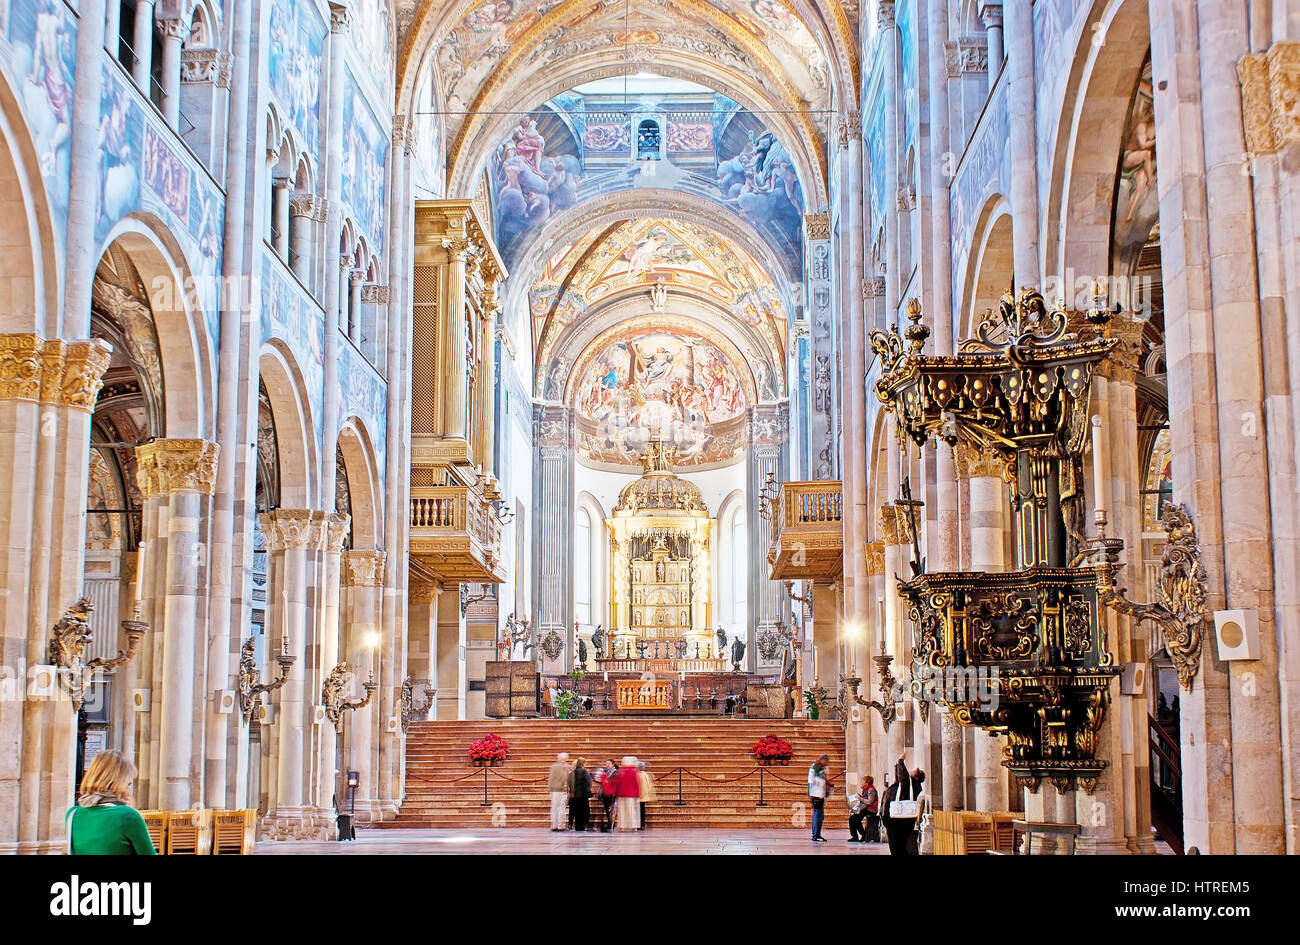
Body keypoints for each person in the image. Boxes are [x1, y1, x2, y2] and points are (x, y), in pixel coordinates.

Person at [66, 750, 156, 855]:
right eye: (128, 780)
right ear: (117, 781)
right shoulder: (128, 816)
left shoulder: (72, 814)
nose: (129, 785)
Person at [882, 755, 925, 855]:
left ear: (916, 777)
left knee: (897, 845)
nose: (909, 772)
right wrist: (897, 766)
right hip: (899, 820)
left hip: (898, 820)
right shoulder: (909, 785)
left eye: (912, 772)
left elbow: (903, 777)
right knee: (898, 844)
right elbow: (900, 779)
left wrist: (901, 761)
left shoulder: (911, 784)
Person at [807, 753, 835, 842]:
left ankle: (817, 834)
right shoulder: (814, 768)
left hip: (821, 794)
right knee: (817, 815)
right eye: (826, 761)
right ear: (822, 760)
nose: (827, 763)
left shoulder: (822, 768)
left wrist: (828, 786)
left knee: (820, 816)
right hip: (815, 794)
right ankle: (815, 835)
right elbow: (810, 781)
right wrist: (810, 794)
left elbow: (823, 779)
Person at [613, 755, 641, 832]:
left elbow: (617, 784)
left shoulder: (620, 772)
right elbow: (636, 784)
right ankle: (633, 826)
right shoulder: (634, 772)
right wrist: (638, 793)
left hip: (621, 794)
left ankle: (622, 825)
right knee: (631, 810)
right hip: (631, 794)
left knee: (622, 811)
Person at [847, 775, 878, 843]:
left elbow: (870, 802)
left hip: (871, 810)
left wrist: (860, 798)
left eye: (863, 782)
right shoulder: (865, 789)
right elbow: (865, 799)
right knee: (853, 819)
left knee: (854, 819)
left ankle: (861, 835)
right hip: (866, 809)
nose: (861, 783)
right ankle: (859, 835)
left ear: (867, 783)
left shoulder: (871, 790)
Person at [569, 758, 593, 832]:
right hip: (583, 794)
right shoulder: (584, 771)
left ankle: (577, 826)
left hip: (575, 795)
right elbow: (589, 781)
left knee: (577, 811)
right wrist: (588, 788)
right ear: (583, 763)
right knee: (584, 810)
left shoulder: (573, 772)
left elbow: (569, 782)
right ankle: (583, 825)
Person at [547, 752, 570, 831]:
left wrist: (550, 789)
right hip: (561, 790)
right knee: (561, 808)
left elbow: (550, 779)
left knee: (554, 808)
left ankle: (554, 825)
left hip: (554, 790)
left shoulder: (553, 766)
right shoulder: (565, 767)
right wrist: (567, 788)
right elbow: (565, 778)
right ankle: (560, 825)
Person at [637, 761, 657, 830]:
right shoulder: (645, 774)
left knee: (640, 811)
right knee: (642, 811)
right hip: (644, 795)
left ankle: (641, 824)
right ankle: (642, 824)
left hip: (640, 795)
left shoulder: (639, 775)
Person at [600, 759, 618, 831]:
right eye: (606, 764)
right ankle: (609, 823)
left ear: (613, 764)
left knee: (610, 810)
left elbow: (615, 783)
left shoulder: (615, 772)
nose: (607, 765)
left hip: (611, 793)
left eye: (609, 764)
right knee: (607, 809)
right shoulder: (606, 772)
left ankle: (611, 824)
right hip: (605, 793)